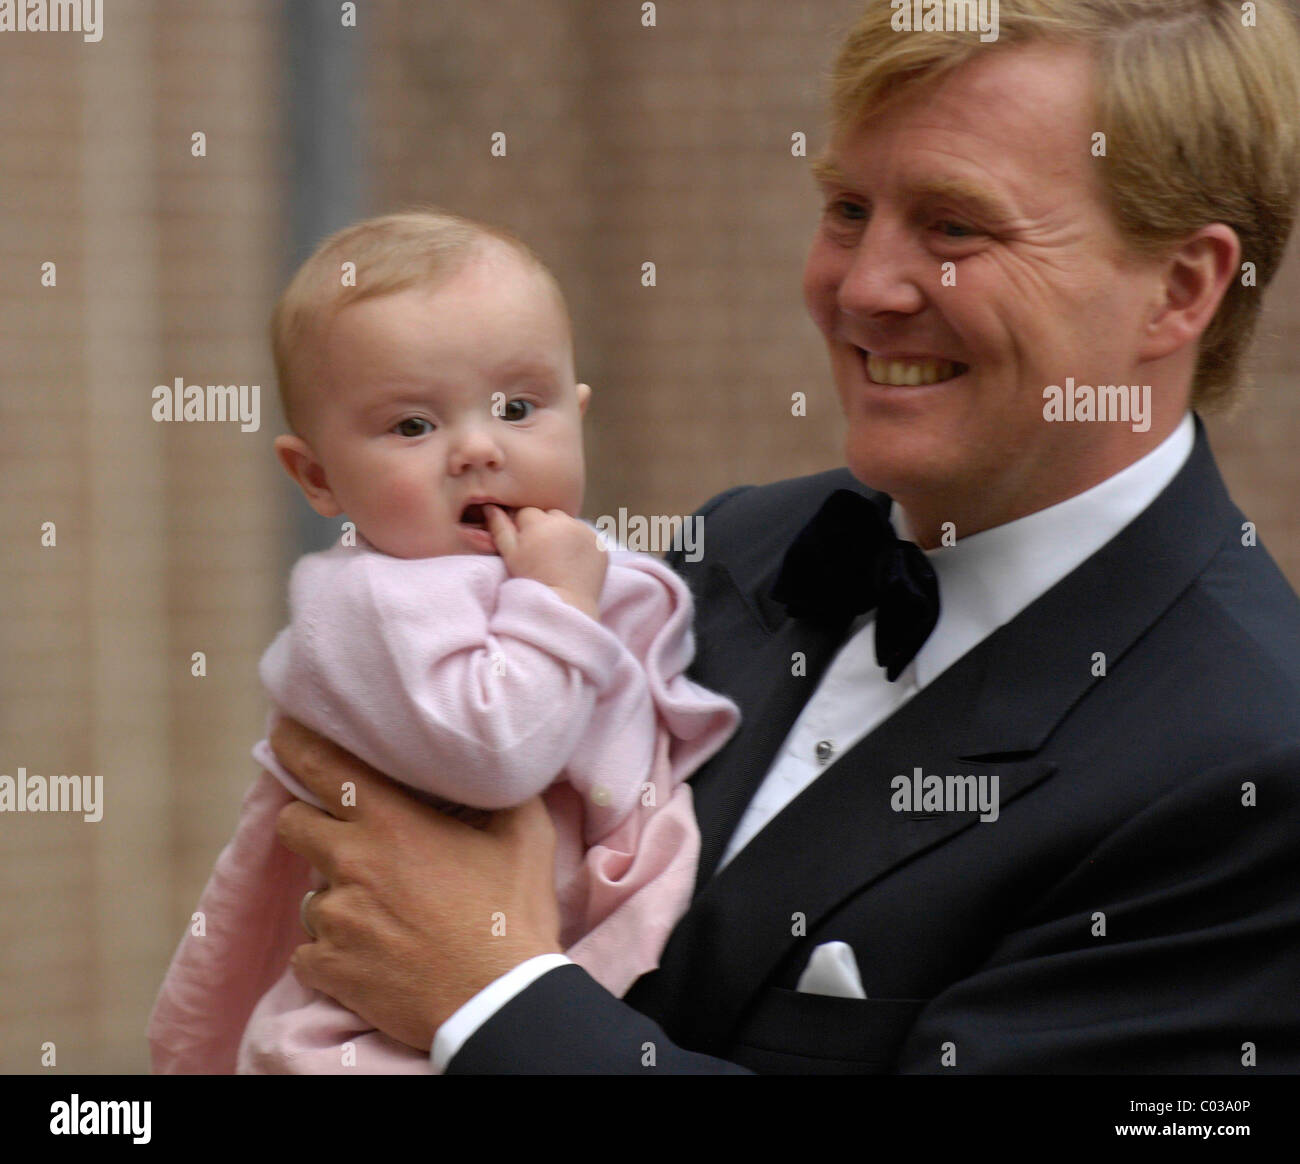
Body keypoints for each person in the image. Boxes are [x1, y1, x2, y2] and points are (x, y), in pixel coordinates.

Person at [265, 0, 1300, 1073]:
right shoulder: (735, 548)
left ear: (1179, 289)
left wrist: (489, 998)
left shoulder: (1251, 774)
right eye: (848, 209)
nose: (862, 287)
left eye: (955, 227)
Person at [145, 210, 739, 1073]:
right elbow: (495, 755)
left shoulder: (570, 564)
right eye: (412, 427)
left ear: (576, 415)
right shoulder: (371, 600)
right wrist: (555, 601)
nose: (477, 448)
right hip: (378, 1028)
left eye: (517, 409)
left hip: (541, 993)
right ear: (317, 477)